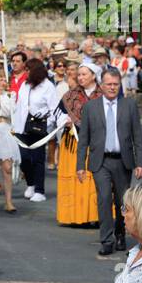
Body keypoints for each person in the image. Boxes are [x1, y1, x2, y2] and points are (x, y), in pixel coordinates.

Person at [78, 69, 142, 257]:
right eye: (109, 84)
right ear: (101, 85)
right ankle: (106, 240)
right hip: (100, 161)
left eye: (116, 84)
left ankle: (120, 233)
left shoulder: (129, 105)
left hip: (123, 161)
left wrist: (141, 162)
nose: (112, 87)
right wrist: (80, 166)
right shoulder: (91, 107)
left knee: (122, 202)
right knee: (104, 198)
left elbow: (137, 136)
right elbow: (83, 139)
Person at [57, 63, 100, 227]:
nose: (81, 78)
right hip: (73, 142)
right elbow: (58, 114)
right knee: (76, 178)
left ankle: (95, 215)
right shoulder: (69, 96)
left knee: (95, 179)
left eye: (84, 74)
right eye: (79, 75)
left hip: (96, 143)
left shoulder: (103, 95)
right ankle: (75, 216)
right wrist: (65, 121)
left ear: (93, 76)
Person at [12, 58, 58, 202]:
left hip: (39, 127)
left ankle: (39, 190)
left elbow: (54, 108)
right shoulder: (25, 85)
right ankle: (30, 183)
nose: (26, 72)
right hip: (22, 127)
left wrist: (47, 122)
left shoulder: (48, 86)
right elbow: (19, 106)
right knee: (24, 158)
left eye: (28, 69)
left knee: (37, 158)